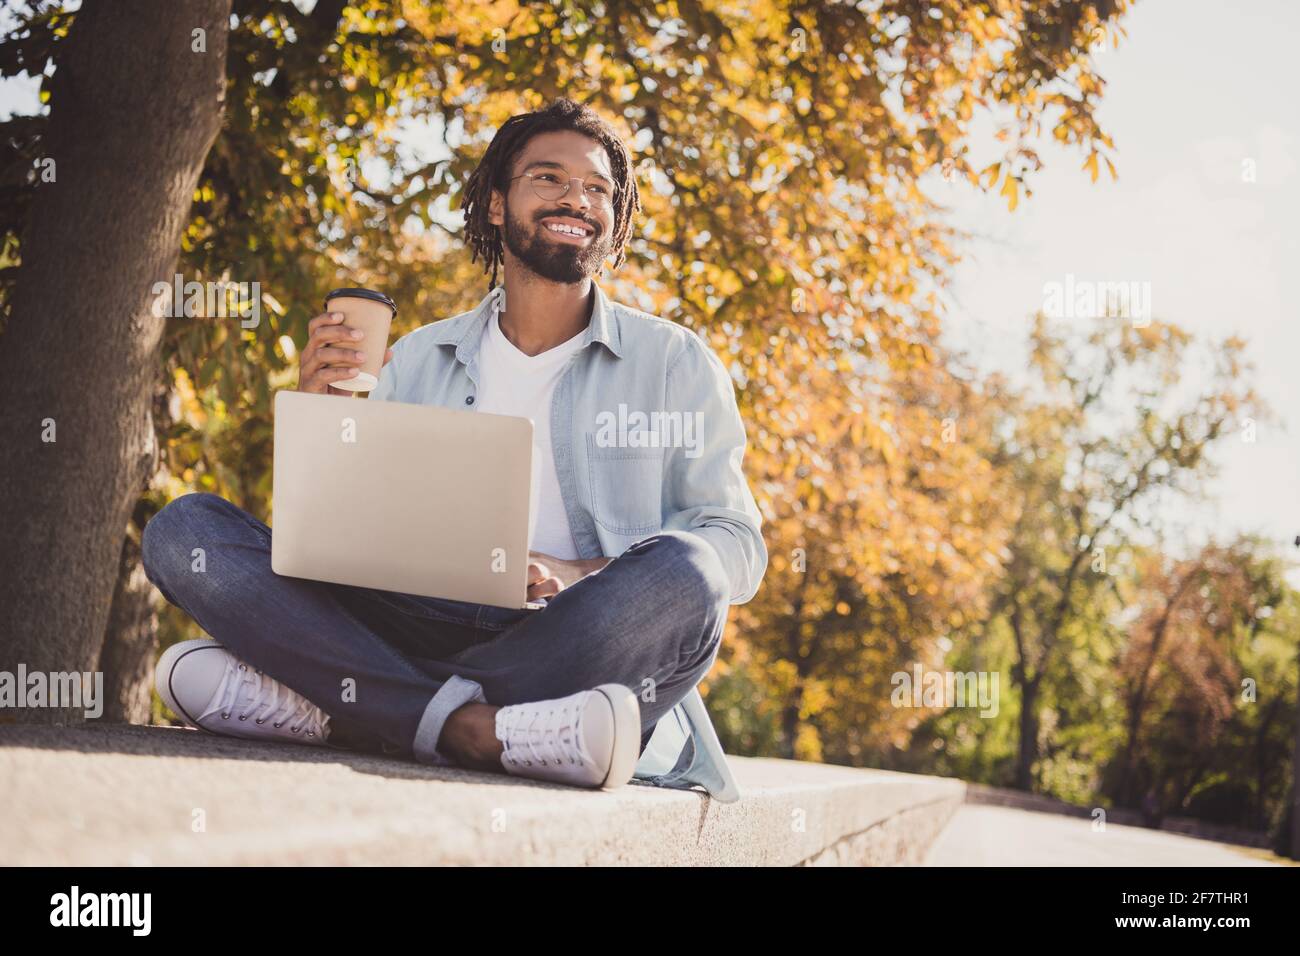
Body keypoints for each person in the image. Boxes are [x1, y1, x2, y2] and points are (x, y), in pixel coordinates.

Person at [143, 98, 767, 790]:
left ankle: (356, 711)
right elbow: (330, 541)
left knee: (692, 573)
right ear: (496, 204)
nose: (577, 199)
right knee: (183, 529)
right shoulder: (417, 357)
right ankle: (481, 731)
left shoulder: (675, 363)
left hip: (564, 634)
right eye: (549, 178)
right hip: (410, 620)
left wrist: (579, 571)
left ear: (615, 219)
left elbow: (737, 547)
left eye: (597, 188)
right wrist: (322, 421)